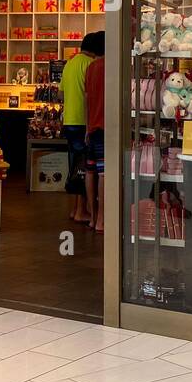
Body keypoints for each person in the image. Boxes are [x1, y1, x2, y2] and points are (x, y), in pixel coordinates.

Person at [60, 31, 102, 224]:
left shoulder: (70, 63)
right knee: (86, 168)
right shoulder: (90, 64)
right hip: (83, 121)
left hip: (69, 120)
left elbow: (61, 93)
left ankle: (75, 209)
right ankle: (81, 211)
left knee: (76, 166)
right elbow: (89, 95)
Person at [83, 31, 106, 233]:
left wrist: (87, 126)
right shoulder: (111, 67)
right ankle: (102, 220)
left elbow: (87, 99)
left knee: (90, 171)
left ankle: (92, 216)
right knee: (104, 173)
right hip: (106, 126)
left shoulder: (90, 68)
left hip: (92, 126)